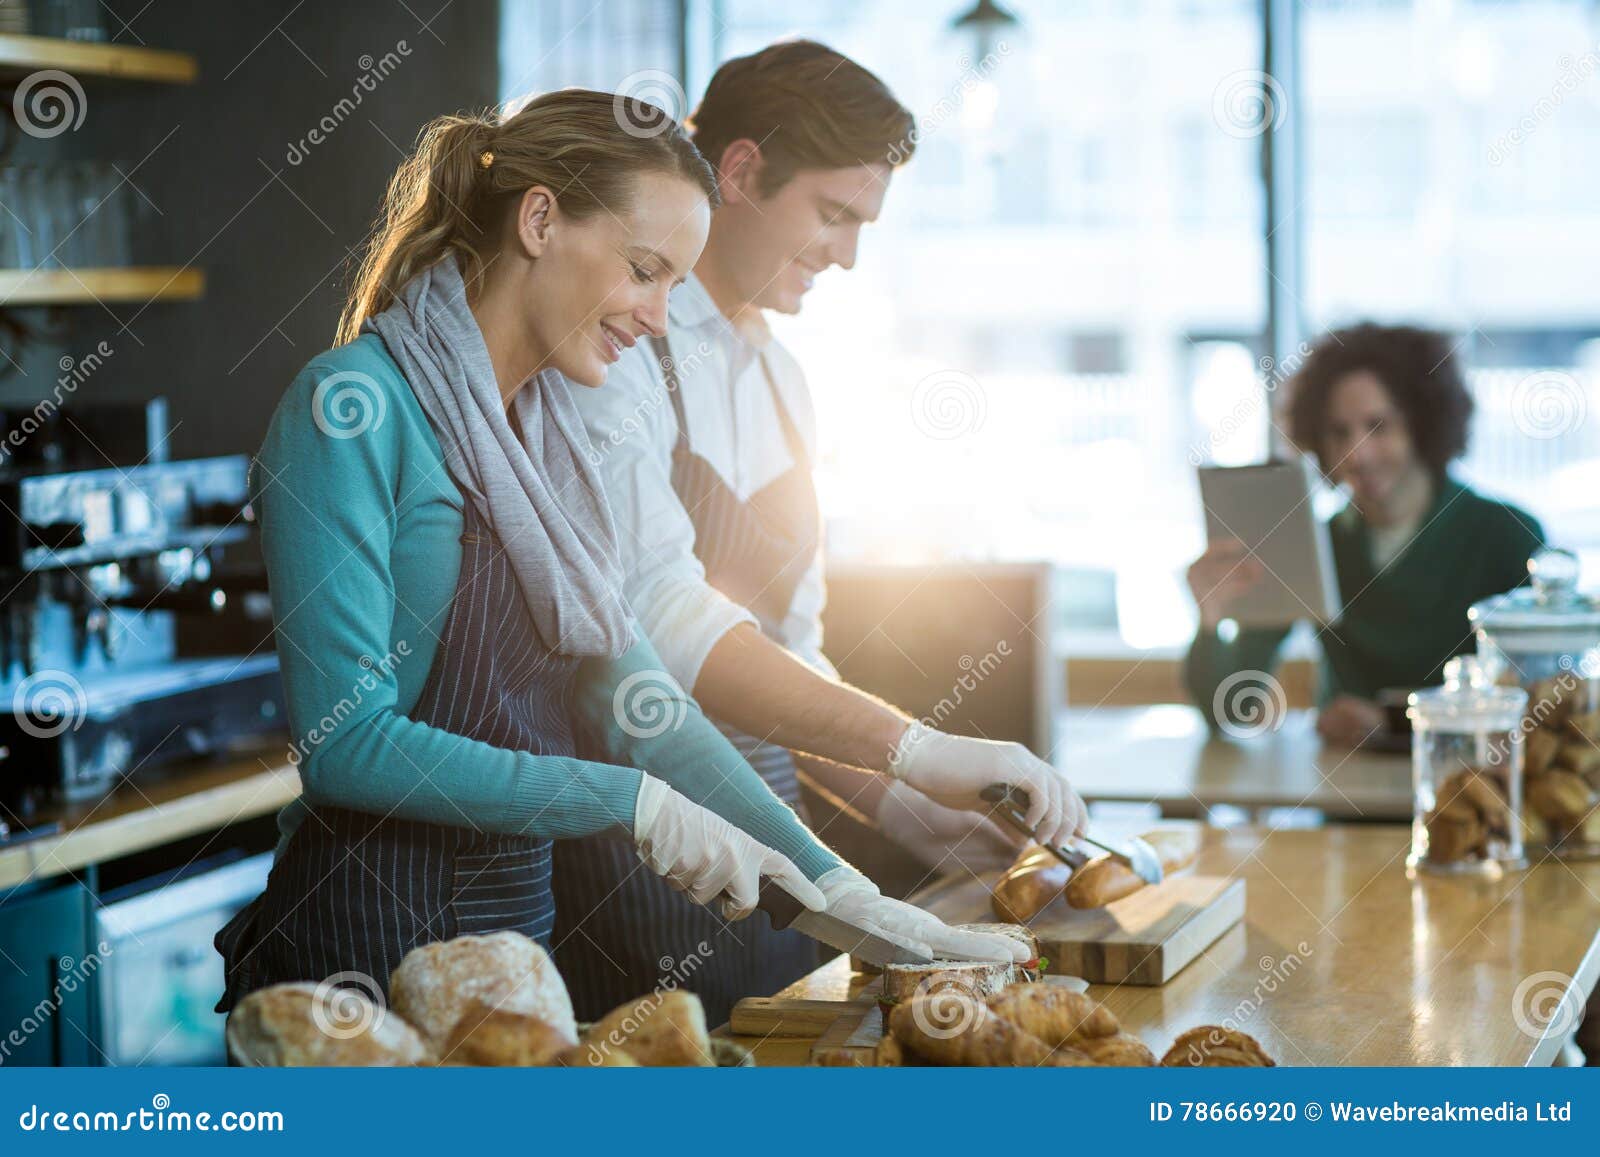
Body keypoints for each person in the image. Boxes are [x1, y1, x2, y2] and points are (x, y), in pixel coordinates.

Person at [215, 90, 1024, 1012]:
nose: (659, 316)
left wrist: (840, 887)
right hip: (358, 954)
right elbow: (346, 746)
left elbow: (641, 705)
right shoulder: (354, 409)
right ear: (540, 219)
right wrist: (624, 801)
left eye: (677, 283)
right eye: (646, 271)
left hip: (514, 960)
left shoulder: (551, 435)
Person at [561, 41, 1084, 1022]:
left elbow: (793, 657)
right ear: (743, 171)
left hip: (783, 868)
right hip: (634, 859)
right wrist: (918, 746)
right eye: (833, 215)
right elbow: (662, 617)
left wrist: (908, 808)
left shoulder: (786, 385)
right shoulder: (614, 350)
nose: (846, 254)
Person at [1185, 322, 1545, 748]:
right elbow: (1225, 708)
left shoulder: (1506, 537)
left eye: (1378, 426)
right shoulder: (1316, 545)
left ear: (1422, 428)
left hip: (1475, 796)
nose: (1357, 454)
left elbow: (1540, 703)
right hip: (1343, 799)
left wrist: (1394, 723)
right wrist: (1210, 618)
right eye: (1340, 433)